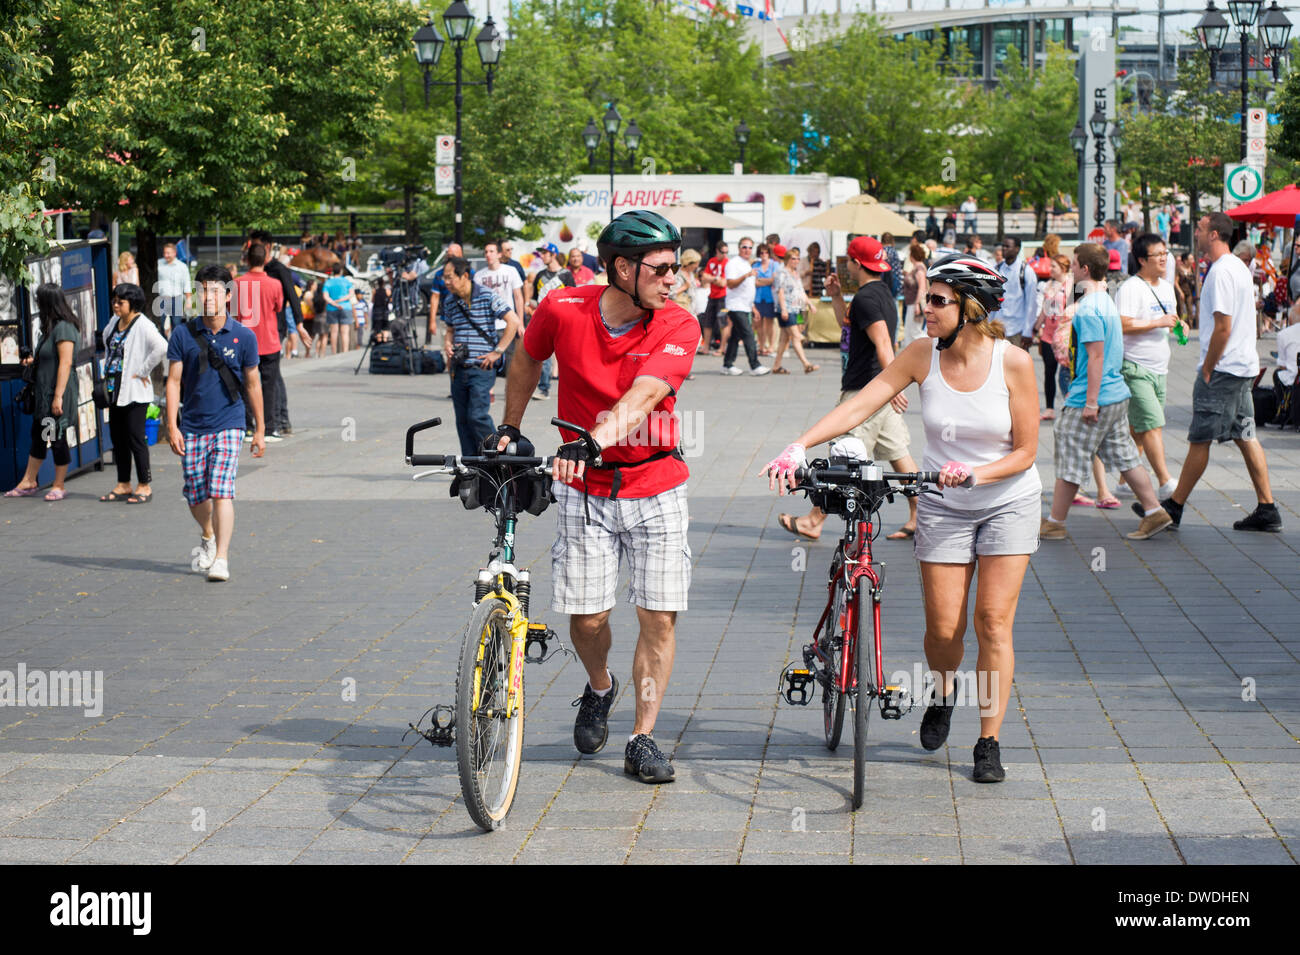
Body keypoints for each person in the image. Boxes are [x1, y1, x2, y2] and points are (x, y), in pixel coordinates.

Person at [764, 254, 1042, 783]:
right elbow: (863, 403)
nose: (925, 307)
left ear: (971, 307)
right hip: (942, 503)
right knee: (943, 631)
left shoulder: (1014, 362)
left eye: (938, 300)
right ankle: (944, 690)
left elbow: (1026, 451)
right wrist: (798, 446)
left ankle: (989, 741)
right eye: (926, 297)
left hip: (1007, 500)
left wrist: (978, 474)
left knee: (992, 623)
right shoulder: (921, 355)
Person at [489, 210, 699, 784]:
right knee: (587, 620)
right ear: (621, 269)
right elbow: (528, 356)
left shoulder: (678, 324)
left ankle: (643, 737)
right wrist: (511, 425)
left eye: (676, 267)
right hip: (585, 489)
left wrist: (593, 440)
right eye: (660, 268)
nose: (672, 279)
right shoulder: (561, 307)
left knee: (657, 618)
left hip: (655, 484)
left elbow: (646, 394)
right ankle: (600, 687)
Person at [776, 236, 918, 541]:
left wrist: (893, 386)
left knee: (844, 453)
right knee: (898, 452)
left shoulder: (867, 298)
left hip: (865, 390)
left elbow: (882, 342)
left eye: (848, 261)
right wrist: (837, 296)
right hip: (879, 386)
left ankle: (814, 520)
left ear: (855, 263)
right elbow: (849, 323)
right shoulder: (879, 293)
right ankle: (920, 515)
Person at [1153, 213, 1281, 532]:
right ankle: (1267, 508)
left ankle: (1174, 506)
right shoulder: (1236, 267)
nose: (1194, 232)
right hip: (1240, 367)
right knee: (1245, 434)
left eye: (1199, 228)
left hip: (1223, 370)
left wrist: (1208, 368)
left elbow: (1222, 328)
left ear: (1213, 235)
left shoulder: (1222, 270)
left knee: (1200, 437)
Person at [1039, 243, 1173, 541]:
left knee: (1071, 455)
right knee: (1125, 456)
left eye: (1074, 264)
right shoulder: (1105, 301)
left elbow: (1096, 357)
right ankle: (1154, 511)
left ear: (1084, 269)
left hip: (1093, 396)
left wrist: (1089, 402)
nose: (1071, 268)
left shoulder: (1089, 308)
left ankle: (1055, 522)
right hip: (1116, 394)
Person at [164, 265, 265, 582]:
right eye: (202, 290)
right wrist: (172, 425)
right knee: (196, 493)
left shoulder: (244, 336)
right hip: (193, 424)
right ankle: (208, 534)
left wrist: (259, 429)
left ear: (228, 296)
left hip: (230, 422)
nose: (208, 297)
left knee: (222, 491)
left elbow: (253, 384)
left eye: (215, 291)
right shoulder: (183, 334)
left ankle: (221, 557)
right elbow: (173, 382)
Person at [1115, 234, 1181, 500]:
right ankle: (1165, 482)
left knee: (1140, 431)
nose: (1164, 258)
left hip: (1160, 368)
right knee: (1152, 425)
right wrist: (1158, 323)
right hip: (1135, 367)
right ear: (1142, 259)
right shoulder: (1131, 287)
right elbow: (1123, 324)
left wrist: (1180, 325)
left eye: (1166, 253)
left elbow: (1170, 319)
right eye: (1158, 254)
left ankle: (1122, 482)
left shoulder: (1165, 286)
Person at [4, 284, 81, 501]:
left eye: (39, 300)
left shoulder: (64, 328)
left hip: (55, 395)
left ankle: (58, 485)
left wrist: (58, 396)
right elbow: (50, 360)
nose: (37, 304)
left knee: (56, 437)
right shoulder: (50, 328)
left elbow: (65, 363)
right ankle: (29, 481)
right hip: (44, 394)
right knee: (39, 436)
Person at [440, 255, 521, 457]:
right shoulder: (450, 300)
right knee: (462, 420)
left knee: (477, 416)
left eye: (450, 277)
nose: (446, 282)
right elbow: (450, 329)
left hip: (482, 368)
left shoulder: (486, 295)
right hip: (458, 369)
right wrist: (448, 345)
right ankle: (471, 465)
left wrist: (498, 351)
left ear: (465, 275)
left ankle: (497, 456)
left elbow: (513, 321)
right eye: (444, 277)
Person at [97, 283, 168, 504]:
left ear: (132, 304)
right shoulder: (113, 322)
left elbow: (162, 347)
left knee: (135, 438)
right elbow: (107, 342)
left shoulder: (143, 325)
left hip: (135, 391)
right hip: (114, 388)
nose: (115, 305)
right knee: (118, 438)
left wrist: (143, 370)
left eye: (121, 302)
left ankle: (144, 485)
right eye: (114, 301)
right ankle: (123, 483)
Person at [234, 242, 286, 443]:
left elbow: (232, 309)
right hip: (269, 340)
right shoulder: (275, 284)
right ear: (266, 259)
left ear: (246, 260)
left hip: (244, 341)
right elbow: (278, 307)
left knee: (245, 385)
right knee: (269, 386)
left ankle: (247, 427)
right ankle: (269, 427)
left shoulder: (237, 283)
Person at [524, 242, 574, 400]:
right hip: (543, 319)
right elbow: (534, 298)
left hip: (562, 319)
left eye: (545, 253)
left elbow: (573, 297)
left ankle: (571, 390)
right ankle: (543, 389)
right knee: (543, 356)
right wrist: (529, 306)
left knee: (566, 355)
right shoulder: (540, 275)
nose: (542, 256)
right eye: (541, 253)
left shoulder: (566, 275)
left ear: (553, 255)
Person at [721, 236, 770, 376]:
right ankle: (755, 365)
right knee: (748, 334)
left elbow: (749, 288)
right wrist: (746, 275)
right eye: (744, 247)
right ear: (739, 248)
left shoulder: (747, 264)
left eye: (750, 247)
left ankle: (727, 364)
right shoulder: (734, 263)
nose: (747, 250)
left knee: (736, 336)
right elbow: (730, 284)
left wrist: (753, 307)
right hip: (735, 305)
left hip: (745, 306)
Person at [1032, 253, 1071, 421]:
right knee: (1049, 372)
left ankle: (1070, 405)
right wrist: (1036, 326)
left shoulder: (1071, 284)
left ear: (1063, 268)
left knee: (1066, 373)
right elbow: (1045, 309)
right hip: (1048, 334)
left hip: (1064, 336)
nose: (1050, 269)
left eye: (1053, 266)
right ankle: (1049, 408)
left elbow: (1074, 309)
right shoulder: (1049, 285)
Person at [771, 244, 818, 374]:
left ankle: (776, 366)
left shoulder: (795, 274)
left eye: (797, 258)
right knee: (796, 336)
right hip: (785, 309)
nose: (796, 261)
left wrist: (810, 304)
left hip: (795, 308)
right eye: (793, 259)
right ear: (787, 260)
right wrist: (784, 309)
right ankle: (806, 364)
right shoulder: (782, 273)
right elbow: (780, 292)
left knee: (784, 339)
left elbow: (801, 292)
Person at [996, 236, 1038, 350]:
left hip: (1018, 330)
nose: (1004, 249)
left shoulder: (1026, 271)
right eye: (1003, 246)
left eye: (1007, 246)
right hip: (999, 329)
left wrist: (1027, 331)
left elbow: (1032, 304)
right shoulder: (997, 269)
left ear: (1017, 249)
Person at [475, 240, 525, 321]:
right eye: (486, 252)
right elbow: (476, 301)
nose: (488, 254)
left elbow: (518, 297)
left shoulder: (511, 270)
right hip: (487, 323)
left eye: (491, 251)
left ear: (499, 254)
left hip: (508, 322)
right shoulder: (478, 276)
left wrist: (520, 322)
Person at [700, 239, 729, 355]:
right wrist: (716, 279)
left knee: (723, 322)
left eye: (727, 252)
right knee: (707, 322)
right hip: (712, 296)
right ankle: (705, 347)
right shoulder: (711, 261)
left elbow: (723, 283)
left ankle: (722, 348)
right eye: (723, 252)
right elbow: (703, 277)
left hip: (723, 298)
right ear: (717, 251)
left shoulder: (727, 263)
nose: (725, 255)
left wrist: (711, 278)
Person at [156, 242, 192, 333]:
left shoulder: (182, 267)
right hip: (163, 299)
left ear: (174, 253)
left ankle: (176, 345)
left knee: (176, 324)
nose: (166, 255)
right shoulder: (159, 264)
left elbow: (187, 283)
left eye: (168, 253)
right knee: (162, 324)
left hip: (176, 299)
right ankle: (164, 345)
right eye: (164, 253)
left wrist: (188, 300)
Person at [752, 242, 779, 356]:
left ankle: (771, 346)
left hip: (770, 297)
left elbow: (774, 279)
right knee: (758, 324)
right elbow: (753, 282)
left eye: (766, 252)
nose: (764, 254)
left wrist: (761, 281)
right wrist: (767, 280)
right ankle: (762, 346)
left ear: (769, 253)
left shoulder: (774, 264)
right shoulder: (755, 265)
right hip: (757, 297)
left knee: (769, 323)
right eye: (761, 252)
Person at [901, 240, 929, 345]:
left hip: (915, 303)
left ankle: (927, 348)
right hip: (912, 302)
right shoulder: (917, 268)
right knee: (910, 330)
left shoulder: (919, 269)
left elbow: (922, 288)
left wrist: (917, 304)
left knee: (914, 331)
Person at [322, 264, 354, 354]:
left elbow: (325, 296)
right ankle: (345, 351)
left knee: (333, 332)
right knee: (345, 332)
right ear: (341, 271)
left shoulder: (328, 282)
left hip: (332, 308)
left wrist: (334, 303)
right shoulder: (346, 281)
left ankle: (334, 352)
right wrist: (341, 300)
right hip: (345, 307)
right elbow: (351, 294)